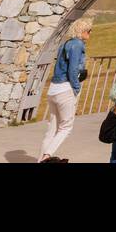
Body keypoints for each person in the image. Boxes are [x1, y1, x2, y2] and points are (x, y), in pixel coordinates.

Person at [39, 17, 91, 162]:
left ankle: (40, 158)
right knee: (66, 127)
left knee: (52, 129)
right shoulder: (78, 45)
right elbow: (73, 69)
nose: (90, 34)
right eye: (89, 31)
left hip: (53, 88)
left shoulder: (64, 44)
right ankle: (47, 156)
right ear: (83, 31)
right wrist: (76, 87)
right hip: (65, 88)